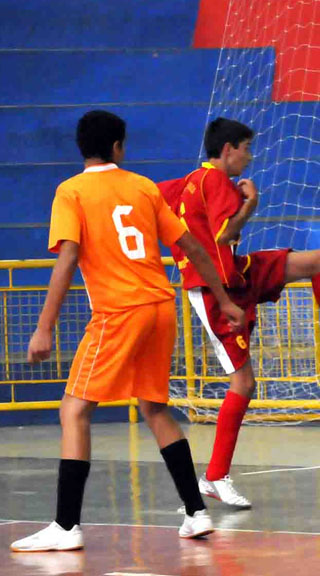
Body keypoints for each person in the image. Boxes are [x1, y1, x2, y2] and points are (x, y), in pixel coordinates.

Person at [10, 110, 246, 552]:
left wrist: (44, 327)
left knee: (73, 410)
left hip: (119, 312)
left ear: (81, 147)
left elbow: (67, 258)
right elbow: (192, 246)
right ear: (118, 146)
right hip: (160, 308)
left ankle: (66, 526)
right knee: (155, 408)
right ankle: (196, 513)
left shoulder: (71, 191)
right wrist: (226, 300)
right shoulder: (142, 187)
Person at [157, 117, 320, 508]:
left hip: (237, 272)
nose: (250, 157)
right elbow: (224, 234)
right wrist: (251, 204)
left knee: (318, 261)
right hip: (215, 291)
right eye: (246, 148)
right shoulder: (217, 181)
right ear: (228, 149)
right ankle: (214, 477)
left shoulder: (187, 182)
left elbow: (150, 198)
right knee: (243, 383)